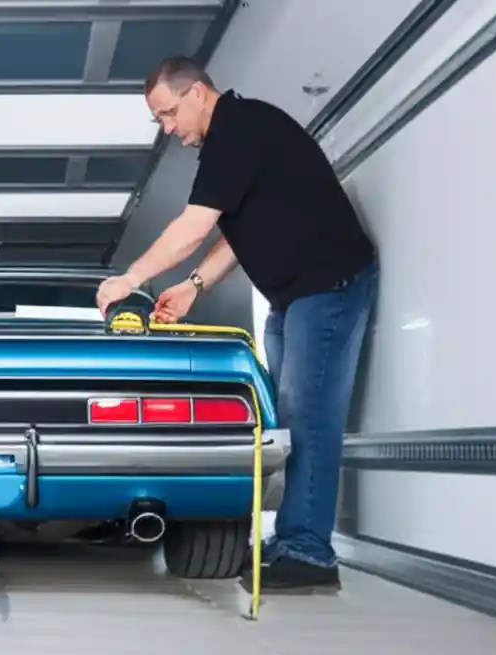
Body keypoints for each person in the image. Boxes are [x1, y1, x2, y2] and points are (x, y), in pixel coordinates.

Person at [96, 56, 378, 592]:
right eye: (160, 120)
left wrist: (129, 279)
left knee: (309, 417)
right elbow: (232, 237)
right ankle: (295, 536)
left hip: (329, 287)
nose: (168, 128)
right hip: (293, 297)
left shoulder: (241, 129)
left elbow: (192, 228)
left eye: (168, 114)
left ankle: (310, 554)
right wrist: (194, 286)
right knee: (289, 418)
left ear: (199, 93)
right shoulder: (237, 138)